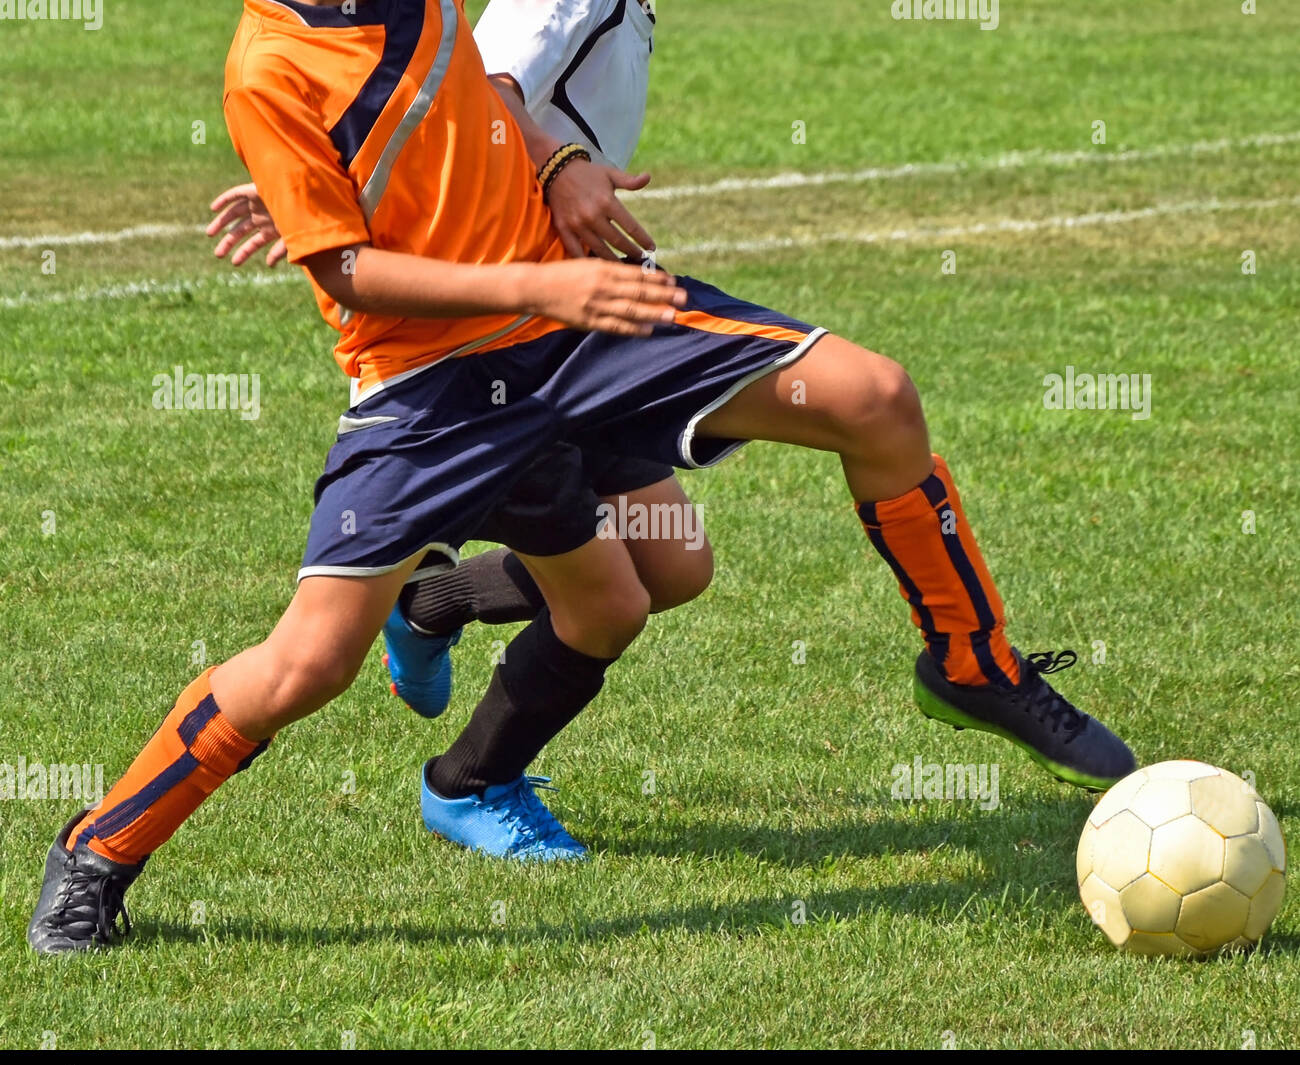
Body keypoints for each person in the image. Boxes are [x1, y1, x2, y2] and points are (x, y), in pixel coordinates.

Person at [28, 0, 1133, 955]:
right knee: (309, 663)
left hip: (572, 327)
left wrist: (554, 168)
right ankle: (96, 851)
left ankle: (970, 661)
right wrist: (519, 278)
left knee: (866, 405)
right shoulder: (267, 65)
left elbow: (483, 93)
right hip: (433, 385)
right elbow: (348, 273)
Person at [206, 0, 714, 861]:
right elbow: (495, 78)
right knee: (610, 602)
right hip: (504, 343)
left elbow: (435, 92)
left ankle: (435, 603)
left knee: (672, 561)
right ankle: (471, 782)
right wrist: (559, 164)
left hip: (577, 313)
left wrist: (331, 174)